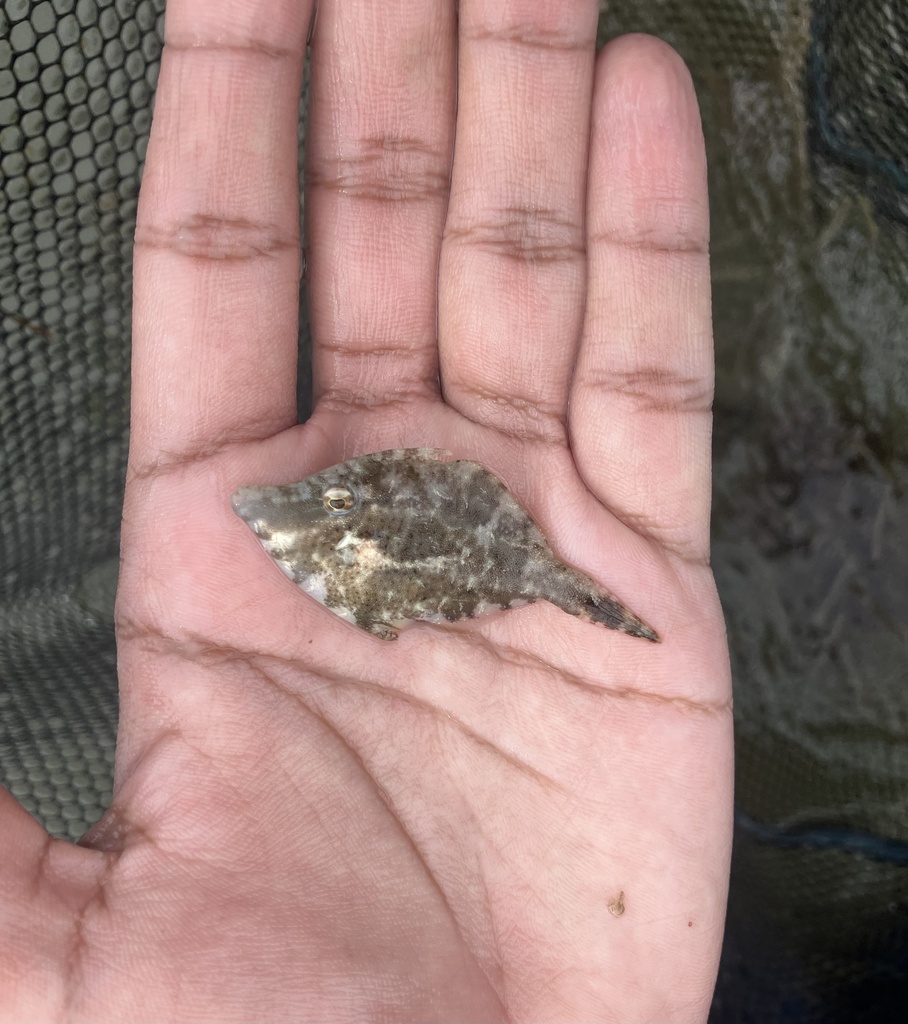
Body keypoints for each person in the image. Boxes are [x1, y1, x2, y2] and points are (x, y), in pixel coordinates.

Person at [0, 1, 732, 1019]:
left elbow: (386, 561)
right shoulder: (316, 532)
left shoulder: (318, 533)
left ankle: (585, 599)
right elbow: (388, 565)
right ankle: (584, 599)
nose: (265, 517)